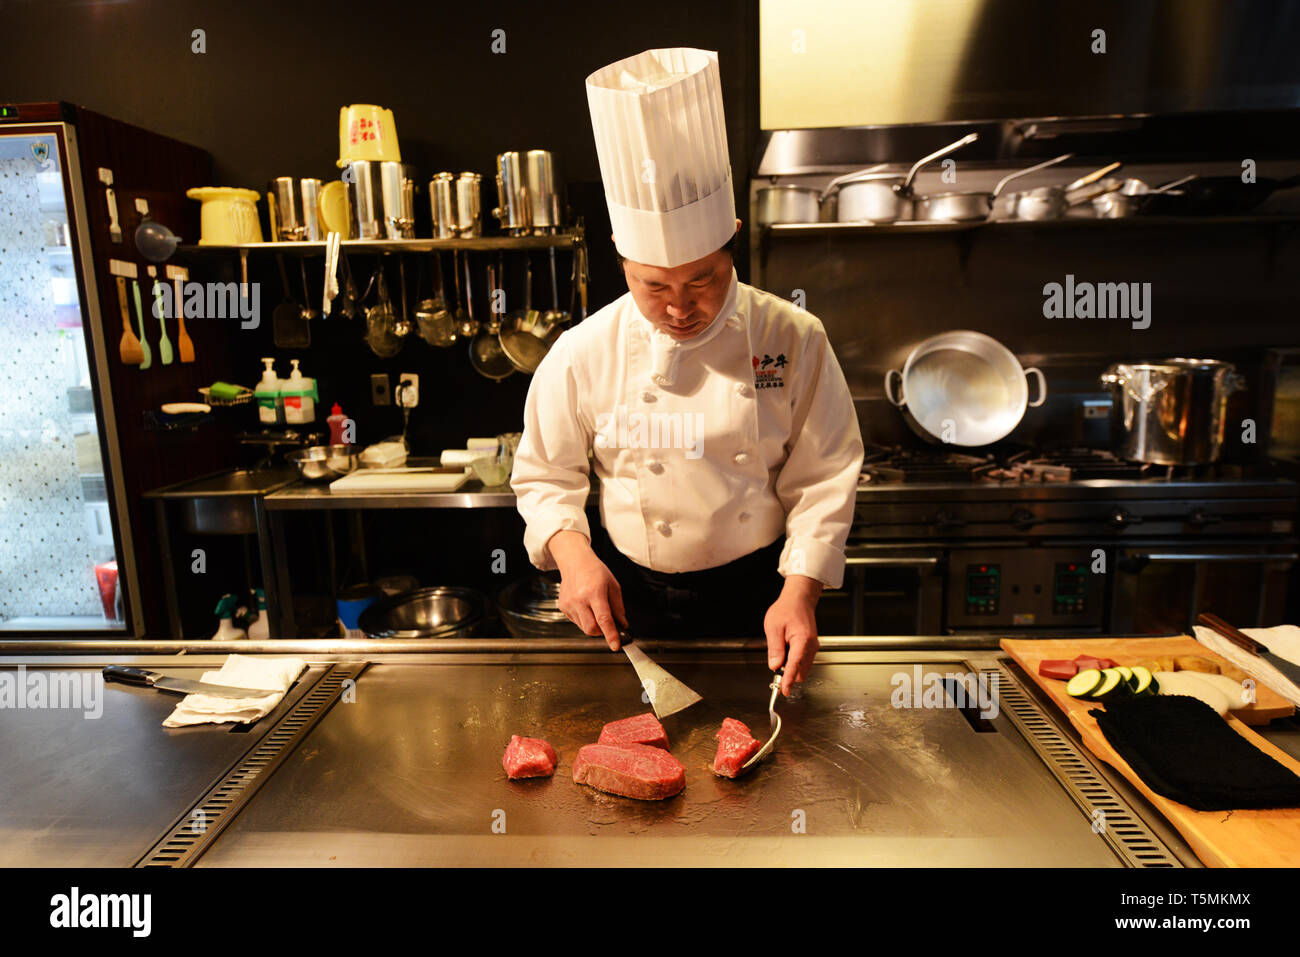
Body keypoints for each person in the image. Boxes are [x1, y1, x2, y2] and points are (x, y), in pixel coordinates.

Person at [511, 48, 862, 695]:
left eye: (702, 278)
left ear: (731, 238)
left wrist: (803, 591)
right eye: (653, 286)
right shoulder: (582, 351)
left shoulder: (792, 336)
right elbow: (544, 473)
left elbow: (824, 478)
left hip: (763, 593)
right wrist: (573, 556)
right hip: (627, 596)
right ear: (621, 259)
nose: (678, 306)